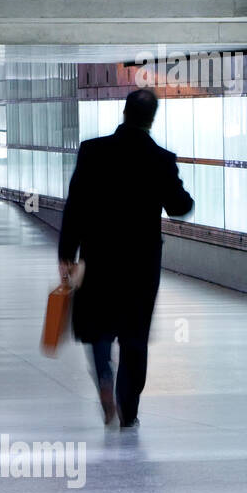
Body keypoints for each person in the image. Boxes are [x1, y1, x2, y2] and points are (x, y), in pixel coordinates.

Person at [57, 89, 194, 428]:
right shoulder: (161, 159)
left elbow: (74, 207)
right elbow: (180, 206)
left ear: (124, 112)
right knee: (134, 335)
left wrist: (66, 254)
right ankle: (128, 409)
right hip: (141, 264)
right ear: (152, 118)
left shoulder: (93, 151)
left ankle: (104, 375)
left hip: (98, 257)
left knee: (99, 326)